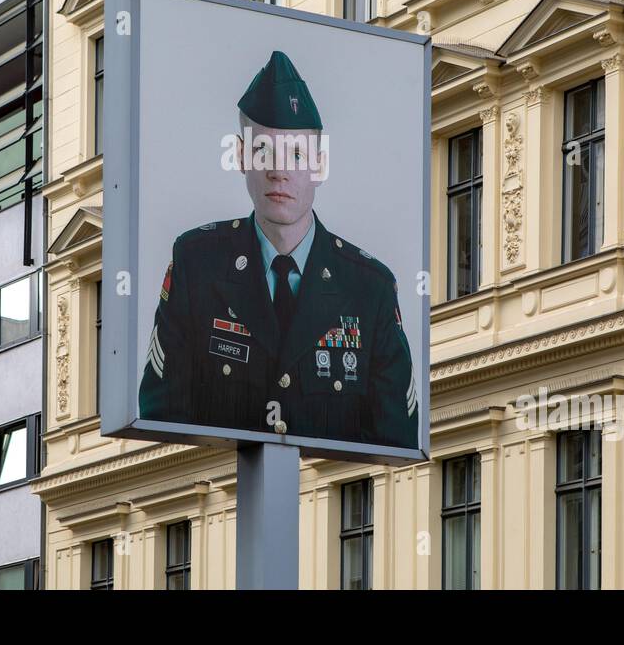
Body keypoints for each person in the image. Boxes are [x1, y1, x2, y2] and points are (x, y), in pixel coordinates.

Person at [139, 50, 418, 449]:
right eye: (263, 151)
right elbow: (161, 416)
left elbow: (396, 437)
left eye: (296, 154)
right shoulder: (196, 265)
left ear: (319, 166)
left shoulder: (369, 287)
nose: (279, 170)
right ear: (240, 157)